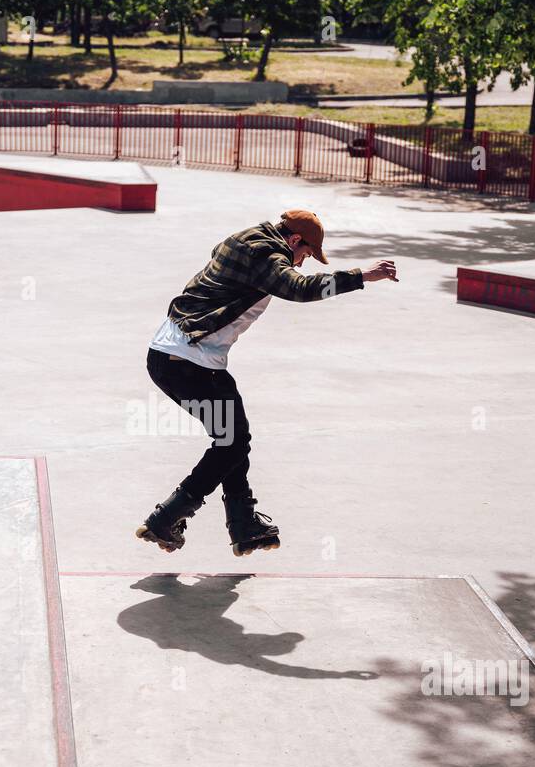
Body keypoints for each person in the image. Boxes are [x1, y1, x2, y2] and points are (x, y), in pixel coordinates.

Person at [137, 209, 398, 556]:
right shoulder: (267, 254)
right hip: (189, 360)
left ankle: (244, 524)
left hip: (172, 355)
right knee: (231, 442)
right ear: (293, 241)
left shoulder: (246, 238)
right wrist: (362, 276)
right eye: (304, 255)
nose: (301, 263)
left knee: (232, 438)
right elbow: (299, 289)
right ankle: (167, 518)